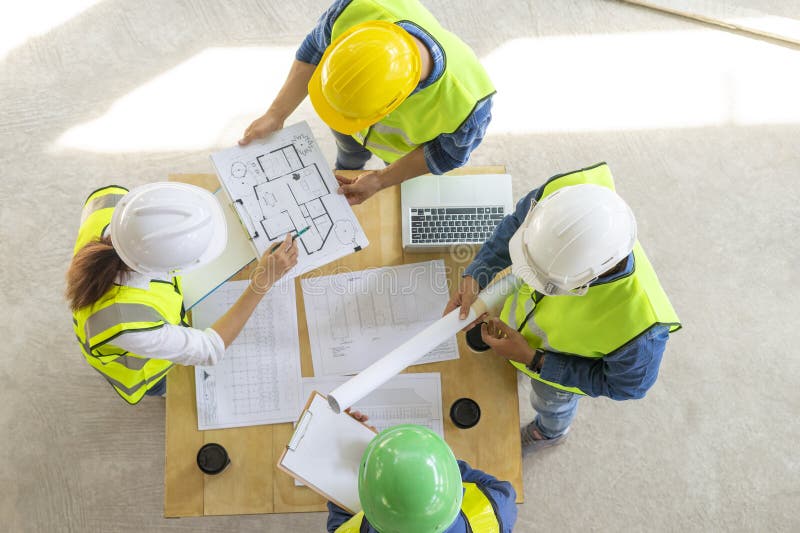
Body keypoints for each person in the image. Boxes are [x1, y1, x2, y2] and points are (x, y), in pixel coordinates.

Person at [444, 162, 681, 451]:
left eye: (542, 278)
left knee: (550, 402)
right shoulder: (562, 197)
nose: (525, 271)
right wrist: (477, 275)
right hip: (521, 329)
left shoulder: (641, 330)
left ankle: (550, 433)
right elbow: (513, 227)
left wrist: (535, 360)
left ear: (584, 283)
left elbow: (626, 386)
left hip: (556, 373)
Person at [239, 0, 495, 205]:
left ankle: (368, 167)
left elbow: (445, 156)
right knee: (349, 153)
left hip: (400, 155)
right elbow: (315, 49)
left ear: (397, 103)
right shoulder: (355, 10)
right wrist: (276, 113)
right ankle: (349, 164)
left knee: (394, 180)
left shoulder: (467, 107)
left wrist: (382, 179)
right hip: (351, 137)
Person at [66, 183, 298, 404]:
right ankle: (161, 391)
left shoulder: (115, 206)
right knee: (163, 385)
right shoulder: (128, 326)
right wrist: (262, 282)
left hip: (119, 314)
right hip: (139, 365)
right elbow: (210, 348)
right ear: (167, 270)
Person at [326, 423, 517, 532]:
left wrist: (356, 460)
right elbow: (501, 488)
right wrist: (438, 463)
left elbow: (340, 518)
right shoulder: (494, 510)